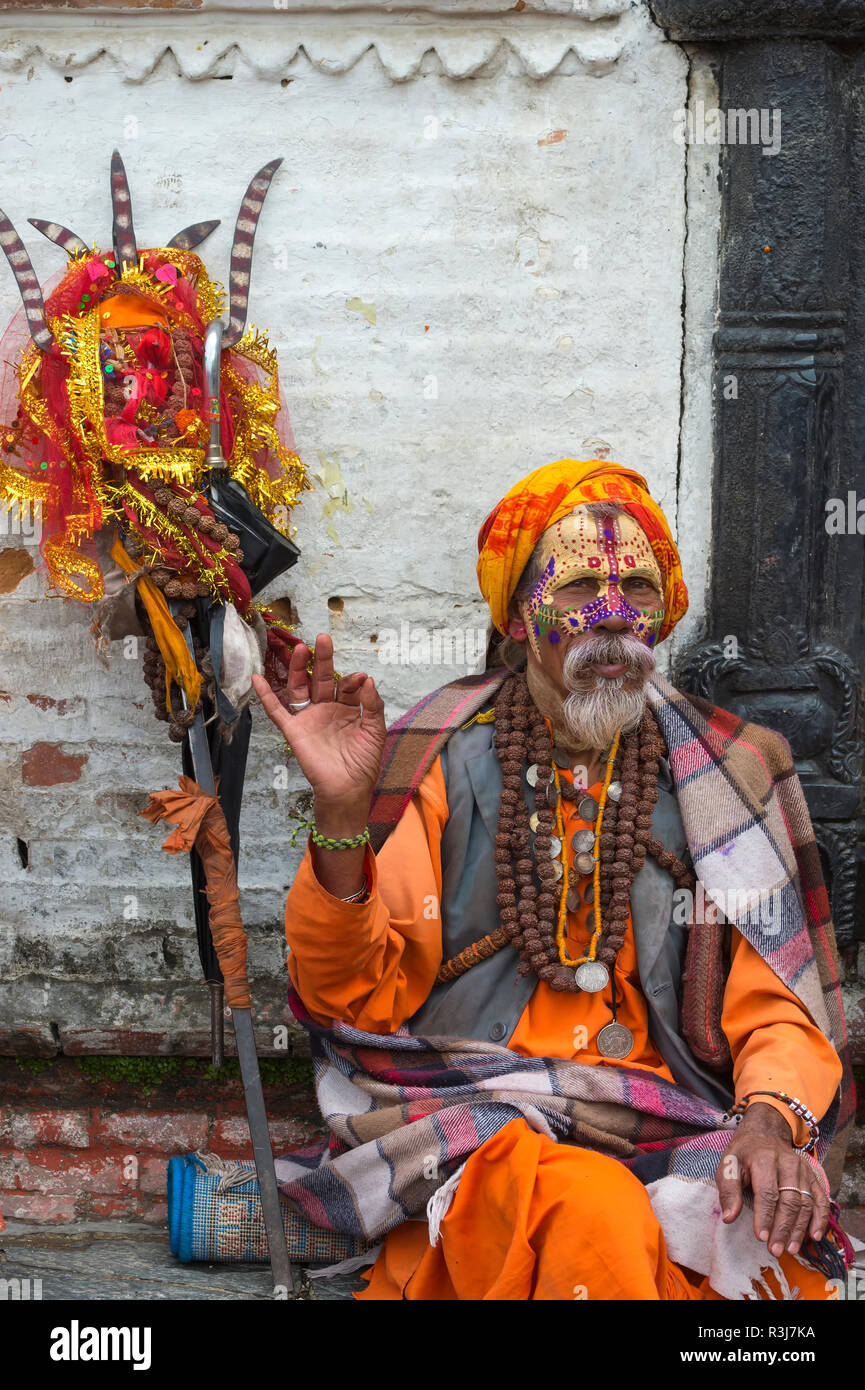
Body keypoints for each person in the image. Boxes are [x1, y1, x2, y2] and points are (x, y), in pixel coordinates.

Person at [252, 458, 853, 1301]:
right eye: (575, 592)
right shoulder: (437, 759)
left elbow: (776, 1007)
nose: (611, 622)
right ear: (517, 617)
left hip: (669, 1121)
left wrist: (767, 1123)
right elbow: (352, 996)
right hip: (482, 1124)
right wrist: (344, 810)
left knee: (780, 1250)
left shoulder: (727, 772)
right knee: (590, 1209)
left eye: (637, 591)